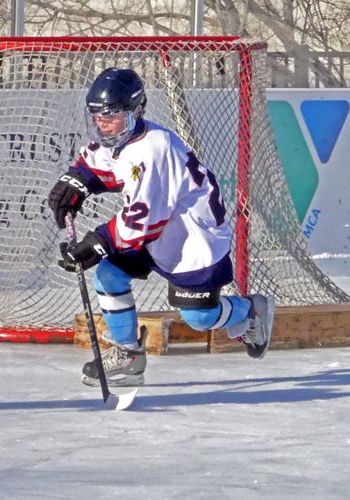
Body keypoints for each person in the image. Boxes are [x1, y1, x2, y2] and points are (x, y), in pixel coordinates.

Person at [47, 67, 275, 387]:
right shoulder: (115, 137)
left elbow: (141, 225)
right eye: (96, 116)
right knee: (109, 275)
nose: (102, 124)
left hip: (192, 238)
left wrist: (96, 243)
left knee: (200, 318)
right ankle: (127, 354)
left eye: (111, 116)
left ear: (136, 112)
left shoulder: (152, 150)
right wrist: (76, 182)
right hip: (158, 232)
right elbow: (95, 165)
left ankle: (249, 310)